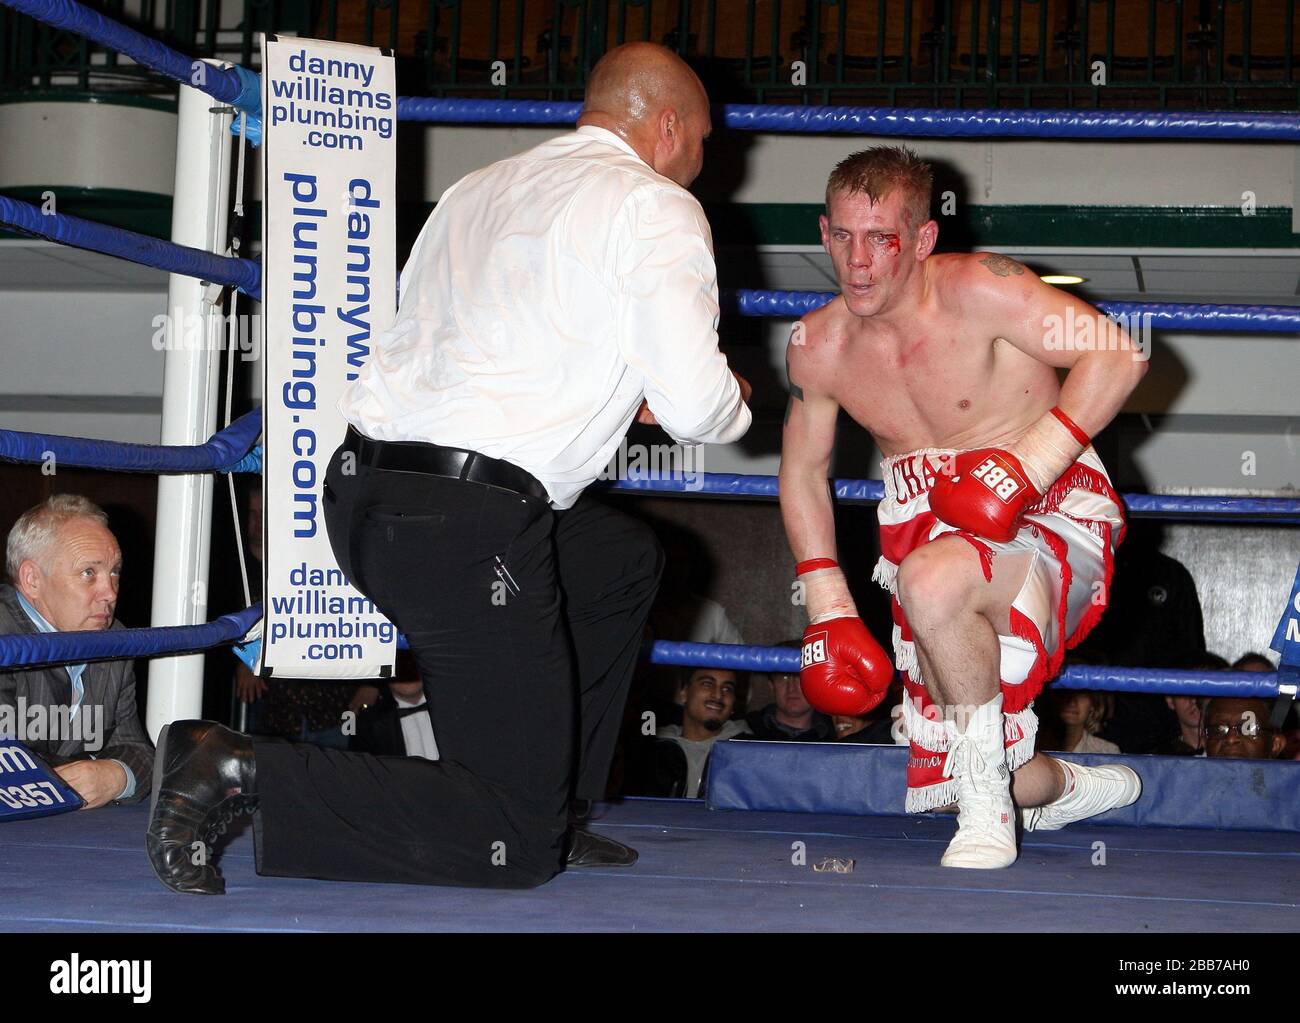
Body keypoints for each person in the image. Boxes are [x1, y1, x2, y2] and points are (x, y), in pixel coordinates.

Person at [146, 41, 751, 894]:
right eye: (704, 139)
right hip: (466, 527)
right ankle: (237, 764)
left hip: (364, 497)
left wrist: (630, 379)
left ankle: (557, 803)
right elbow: (698, 409)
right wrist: (735, 394)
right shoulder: (654, 205)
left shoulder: (480, 188)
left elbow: (493, 346)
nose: (707, 158)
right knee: (512, 841)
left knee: (619, 560)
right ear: (667, 125)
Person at [779, 146, 1146, 869]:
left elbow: (1116, 353)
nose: (858, 260)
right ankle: (1059, 787)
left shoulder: (984, 288)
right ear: (824, 233)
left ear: (921, 239)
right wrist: (827, 603)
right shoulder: (816, 346)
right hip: (926, 537)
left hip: (1051, 510)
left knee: (934, 579)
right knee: (953, 764)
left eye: (881, 238)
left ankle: (988, 816)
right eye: (844, 236)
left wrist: (1025, 467)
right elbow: (802, 471)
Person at [0, 495, 152, 809]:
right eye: (88, 573)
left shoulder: (114, 639)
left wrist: (116, 776)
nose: (109, 593)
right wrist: (89, 767)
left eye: (114, 572)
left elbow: (138, 749)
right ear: (32, 580)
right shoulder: (3, 633)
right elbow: (10, 763)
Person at [655, 668, 751, 797]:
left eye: (727, 689)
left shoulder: (749, 752)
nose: (718, 695)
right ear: (684, 693)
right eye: (707, 684)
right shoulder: (651, 750)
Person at [744, 641, 834, 741]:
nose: (791, 688)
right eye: (784, 677)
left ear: (816, 684)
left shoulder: (836, 734)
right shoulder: (745, 730)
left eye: (800, 678)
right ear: (771, 686)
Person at [1201, 697, 1286, 760]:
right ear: (1204, 741)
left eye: (1248, 729)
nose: (1231, 739)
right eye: (1219, 729)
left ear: (1275, 745)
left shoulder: (1294, 783)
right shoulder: (1189, 780)